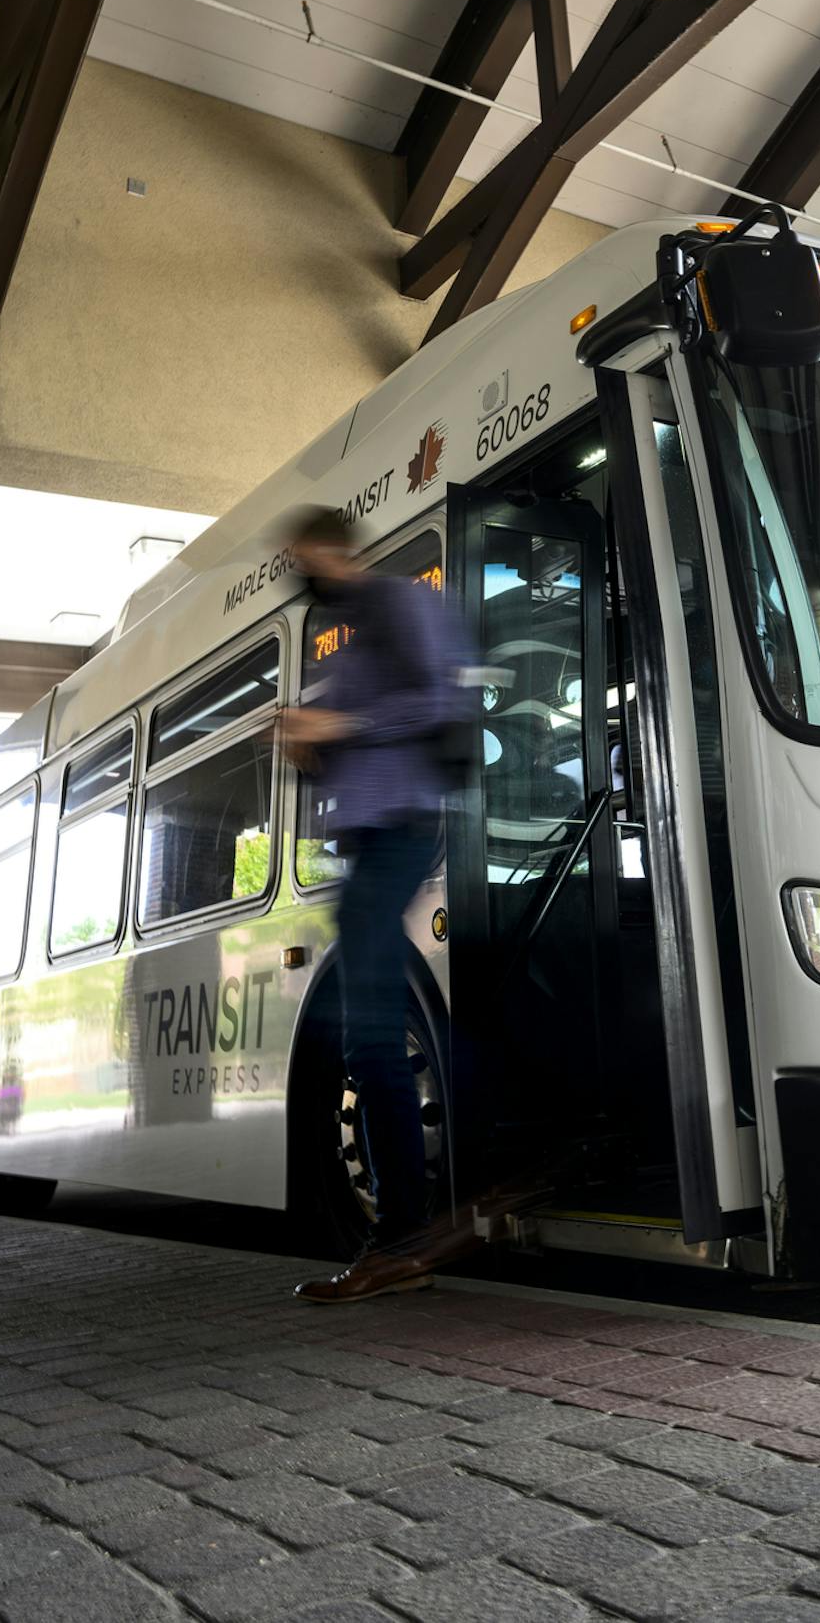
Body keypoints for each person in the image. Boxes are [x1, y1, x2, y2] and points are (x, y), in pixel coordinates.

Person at [278, 507, 472, 1304]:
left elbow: (440, 701)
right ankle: (406, 1233)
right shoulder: (357, 638)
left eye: (301, 556)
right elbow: (352, 756)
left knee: (368, 1038)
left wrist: (341, 721)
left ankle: (401, 1239)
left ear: (330, 549)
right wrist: (309, 746)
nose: (300, 571)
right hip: (369, 839)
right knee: (370, 1032)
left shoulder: (399, 604)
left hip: (400, 830)